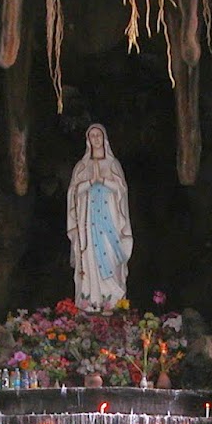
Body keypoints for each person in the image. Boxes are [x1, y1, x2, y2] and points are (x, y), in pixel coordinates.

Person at [66, 123, 132, 312]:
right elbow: (73, 193)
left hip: (109, 222)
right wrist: (89, 182)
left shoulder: (113, 164)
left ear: (104, 139)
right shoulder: (82, 166)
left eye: (98, 135)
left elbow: (121, 190)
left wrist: (102, 181)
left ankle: (112, 302)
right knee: (89, 259)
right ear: (88, 140)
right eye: (92, 136)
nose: (96, 139)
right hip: (88, 222)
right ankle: (91, 302)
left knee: (110, 257)